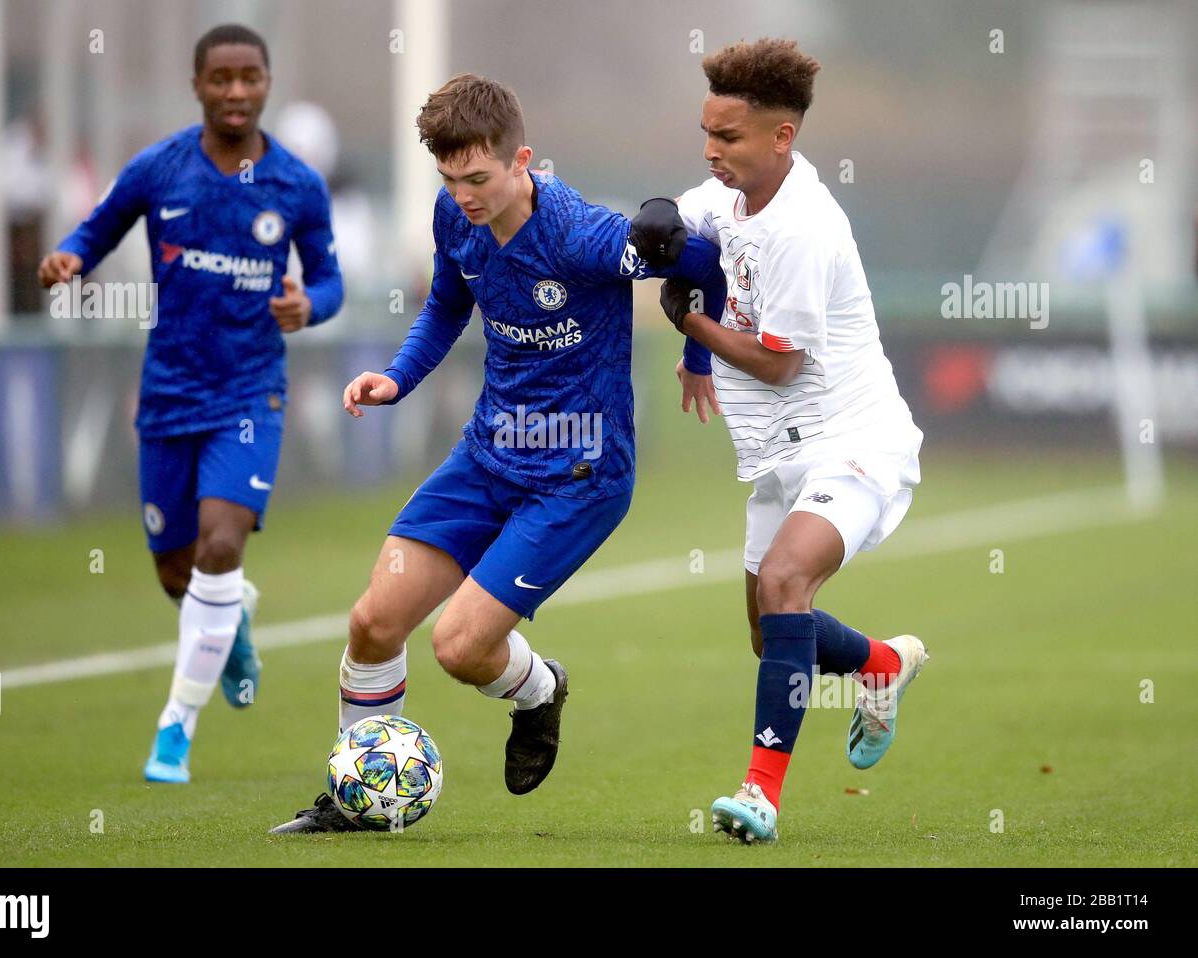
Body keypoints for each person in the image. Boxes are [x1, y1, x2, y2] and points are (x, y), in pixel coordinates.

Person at [270, 73, 725, 833]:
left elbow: (701, 264)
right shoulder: (455, 214)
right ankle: (358, 799)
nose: (463, 196)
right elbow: (448, 304)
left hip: (579, 475)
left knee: (458, 647)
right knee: (373, 623)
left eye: (478, 179)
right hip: (489, 455)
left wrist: (699, 356)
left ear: (522, 161)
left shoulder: (584, 238)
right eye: (449, 179)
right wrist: (397, 377)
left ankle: (540, 689)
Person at [631, 37, 928, 844]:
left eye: (727, 137)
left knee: (788, 580)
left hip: (853, 439)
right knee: (770, 630)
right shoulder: (729, 193)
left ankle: (759, 795)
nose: (711, 149)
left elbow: (778, 362)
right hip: (776, 454)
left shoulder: (803, 228)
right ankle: (881, 664)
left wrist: (692, 326)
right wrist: (648, 222)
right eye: (706, 132)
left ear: (781, 137)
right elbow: (676, 229)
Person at [37, 24, 344, 783]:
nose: (236, 91)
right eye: (222, 78)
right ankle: (231, 622)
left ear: (267, 83)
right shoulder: (159, 168)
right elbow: (98, 229)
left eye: (250, 77)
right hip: (169, 393)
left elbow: (329, 279)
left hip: (250, 392)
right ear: (197, 85)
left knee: (221, 545)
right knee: (177, 571)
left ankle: (175, 728)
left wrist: (311, 305)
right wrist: (72, 256)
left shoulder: (297, 185)